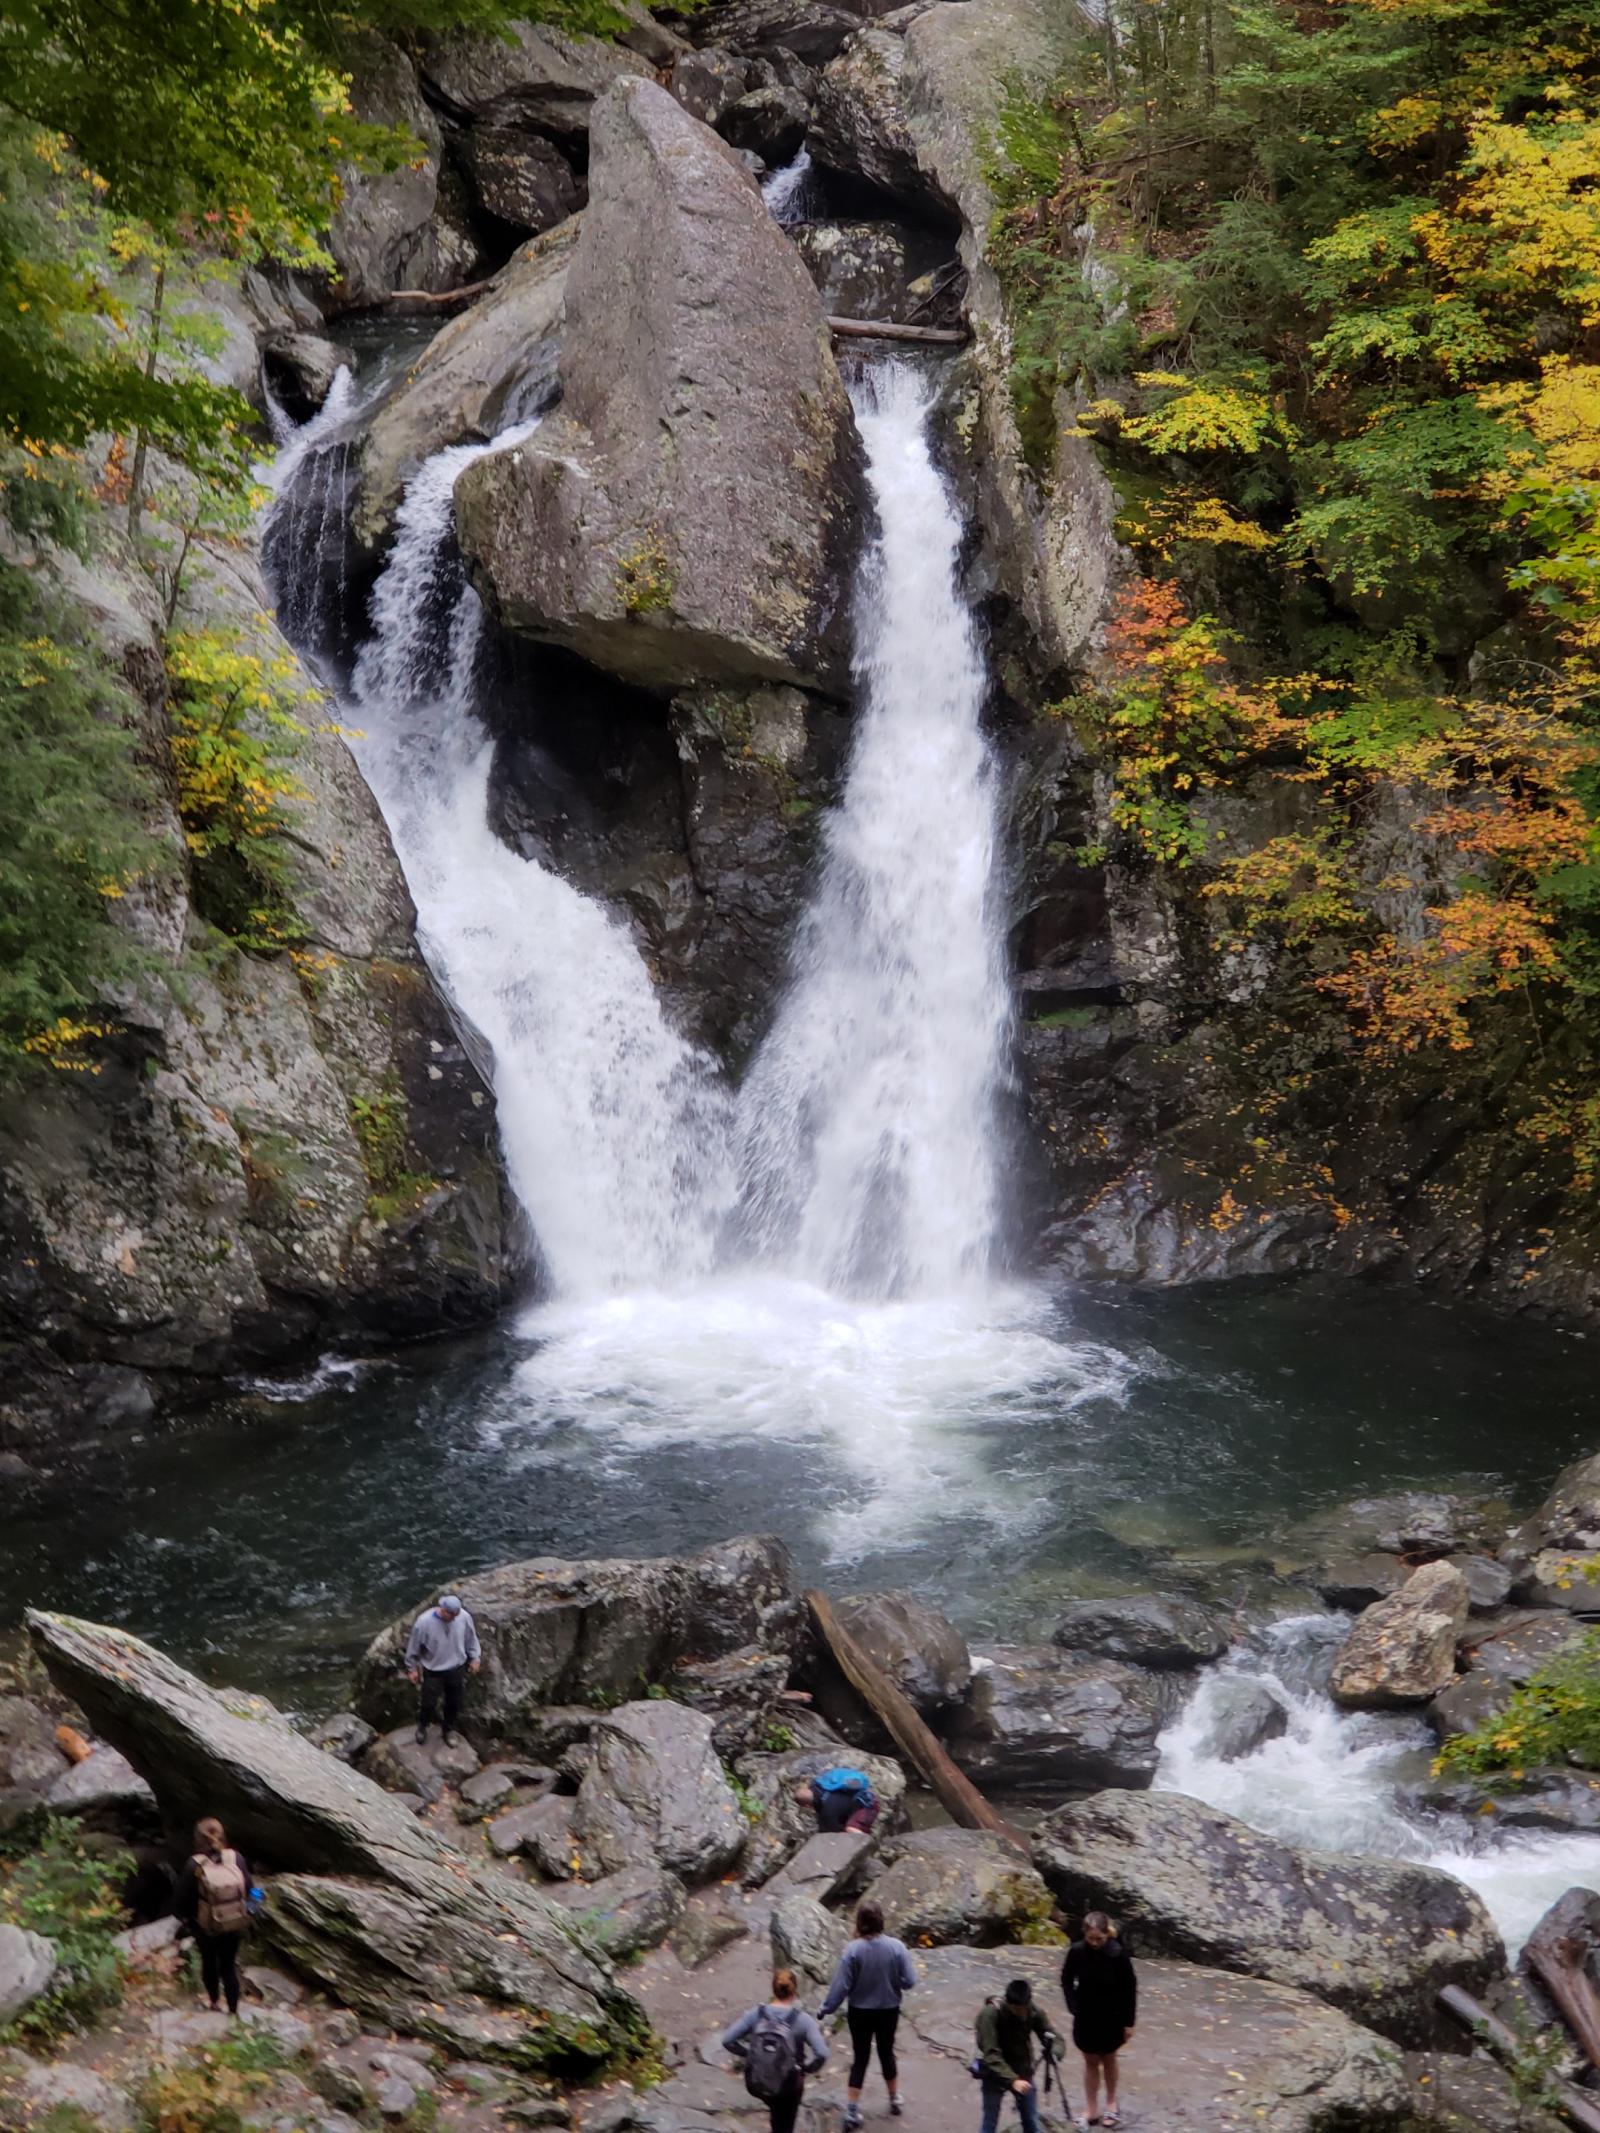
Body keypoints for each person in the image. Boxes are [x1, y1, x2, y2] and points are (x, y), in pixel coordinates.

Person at [819, 1900, 917, 2128]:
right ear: (881, 1920)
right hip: (888, 2010)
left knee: (860, 2058)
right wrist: (896, 1983)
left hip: (860, 2012)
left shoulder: (853, 1950)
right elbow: (910, 1981)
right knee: (886, 2052)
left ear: (860, 1922)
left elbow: (841, 1987)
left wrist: (826, 2008)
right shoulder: (897, 1947)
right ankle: (894, 2098)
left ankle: (852, 2110)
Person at [722, 1967, 830, 2133]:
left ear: (773, 1989)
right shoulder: (803, 2020)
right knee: (784, 2122)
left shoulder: (756, 2014)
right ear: (794, 1991)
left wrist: (749, 2055)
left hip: (758, 2080)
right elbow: (822, 2053)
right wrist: (806, 2070)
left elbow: (728, 2040)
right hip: (789, 2084)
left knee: (775, 2111)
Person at [1061, 1913, 1136, 2130]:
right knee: (1090, 2060)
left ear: (1107, 1935)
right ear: (1084, 1934)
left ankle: (1111, 2103)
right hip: (1086, 2014)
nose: (1094, 1943)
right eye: (1091, 1938)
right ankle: (1091, 2108)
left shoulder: (1117, 1953)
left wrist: (1129, 2022)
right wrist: (1072, 2005)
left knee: (1109, 2058)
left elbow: (1129, 1987)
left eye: (1099, 1939)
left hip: (1112, 2015)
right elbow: (1066, 1979)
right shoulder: (1077, 1951)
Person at [176, 1816, 251, 2016]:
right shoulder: (236, 1858)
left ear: (197, 1839)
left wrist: (187, 1920)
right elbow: (251, 1889)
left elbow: (182, 1899)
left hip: (206, 1926)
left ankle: (214, 2002)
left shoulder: (194, 1865)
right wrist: (251, 1911)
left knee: (209, 1962)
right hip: (234, 1921)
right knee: (228, 1966)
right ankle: (233, 2011)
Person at [974, 1977, 1063, 2133]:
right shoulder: (989, 2015)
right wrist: (1013, 2080)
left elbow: (1054, 2036)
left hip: (1023, 2070)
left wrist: (1054, 2053)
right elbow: (991, 2053)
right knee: (989, 2122)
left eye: (1024, 2008)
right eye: (1017, 2009)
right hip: (993, 2073)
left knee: (1031, 2120)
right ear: (1009, 2004)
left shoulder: (1033, 2012)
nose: (1022, 2013)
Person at [405, 1591, 481, 1745]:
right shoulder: (424, 1622)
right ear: (442, 1609)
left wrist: (475, 1657)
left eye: (456, 1614)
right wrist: (411, 1668)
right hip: (434, 1670)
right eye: (451, 1614)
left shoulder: (463, 1617)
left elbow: (471, 1639)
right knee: (428, 1703)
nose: (454, 1618)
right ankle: (422, 1727)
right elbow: (414, 1647)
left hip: (456, 1667)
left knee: (454, 1702)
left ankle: (448, 1730)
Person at [793, 1764, 879, 1835]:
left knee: (851, 1828)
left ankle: (870, 1847)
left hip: (868, 1805)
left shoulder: (828, 1810)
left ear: (807, 1805)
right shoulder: (819, 1785)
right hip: (863, 1800)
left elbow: (831, 1834)